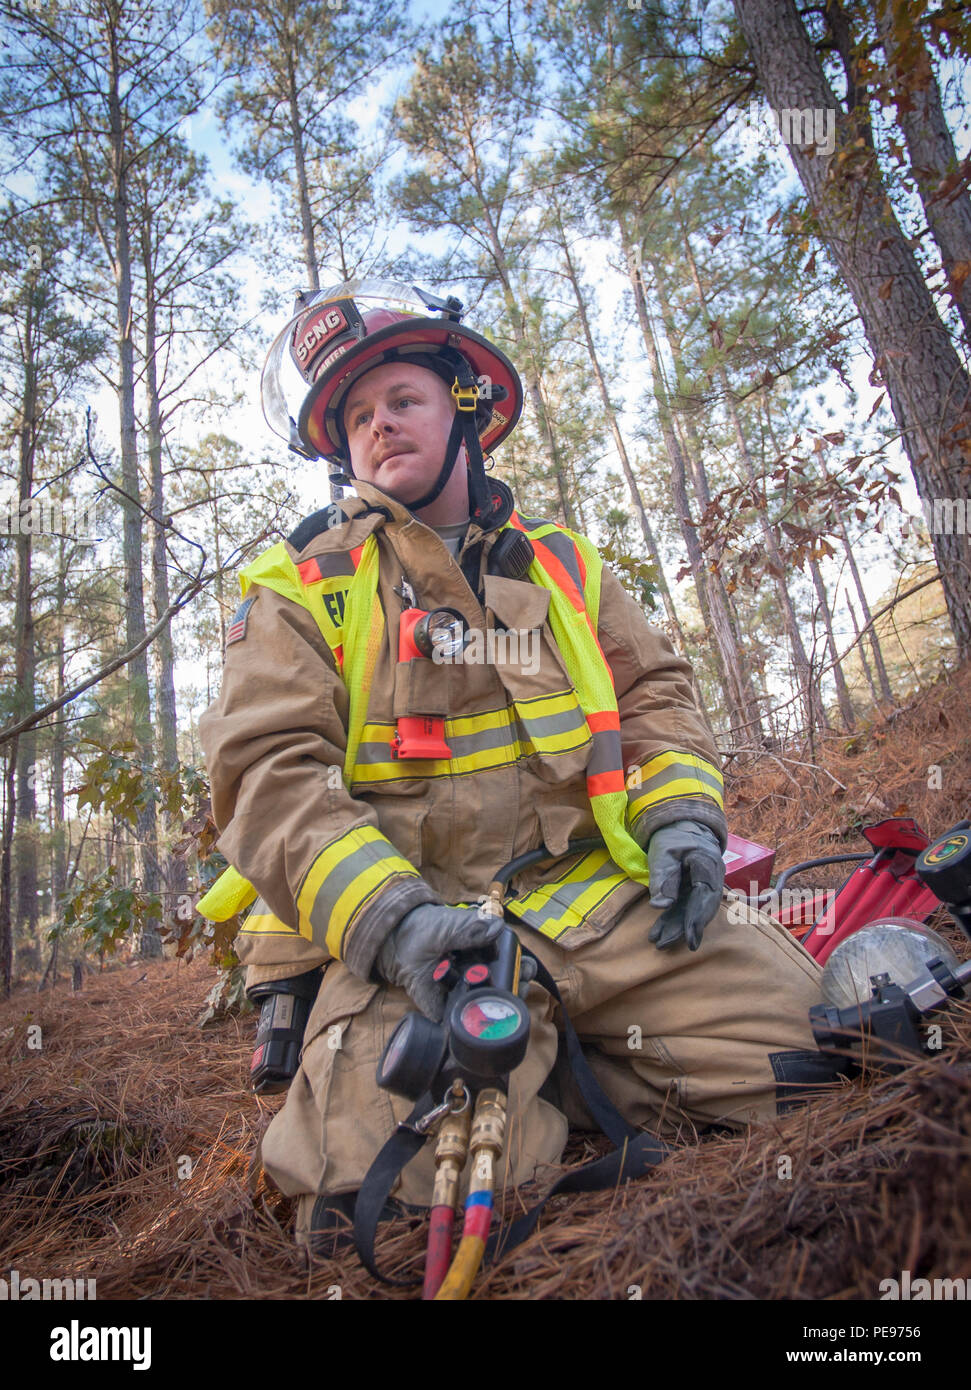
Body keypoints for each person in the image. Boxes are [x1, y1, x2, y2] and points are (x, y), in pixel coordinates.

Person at [198, 281, 836, 1252]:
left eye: (400, 399)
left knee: (832, 1049)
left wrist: (680, 823)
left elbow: (656, 696)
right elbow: (265, 775)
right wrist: (394, 921)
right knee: (371, 1210)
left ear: (463, 408)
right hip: (422, 945)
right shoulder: (299, 589)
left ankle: (572, 1066)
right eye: (357, 418)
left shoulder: (563, 565)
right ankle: (556, 1074)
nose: (379, 428)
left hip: (602, 908)